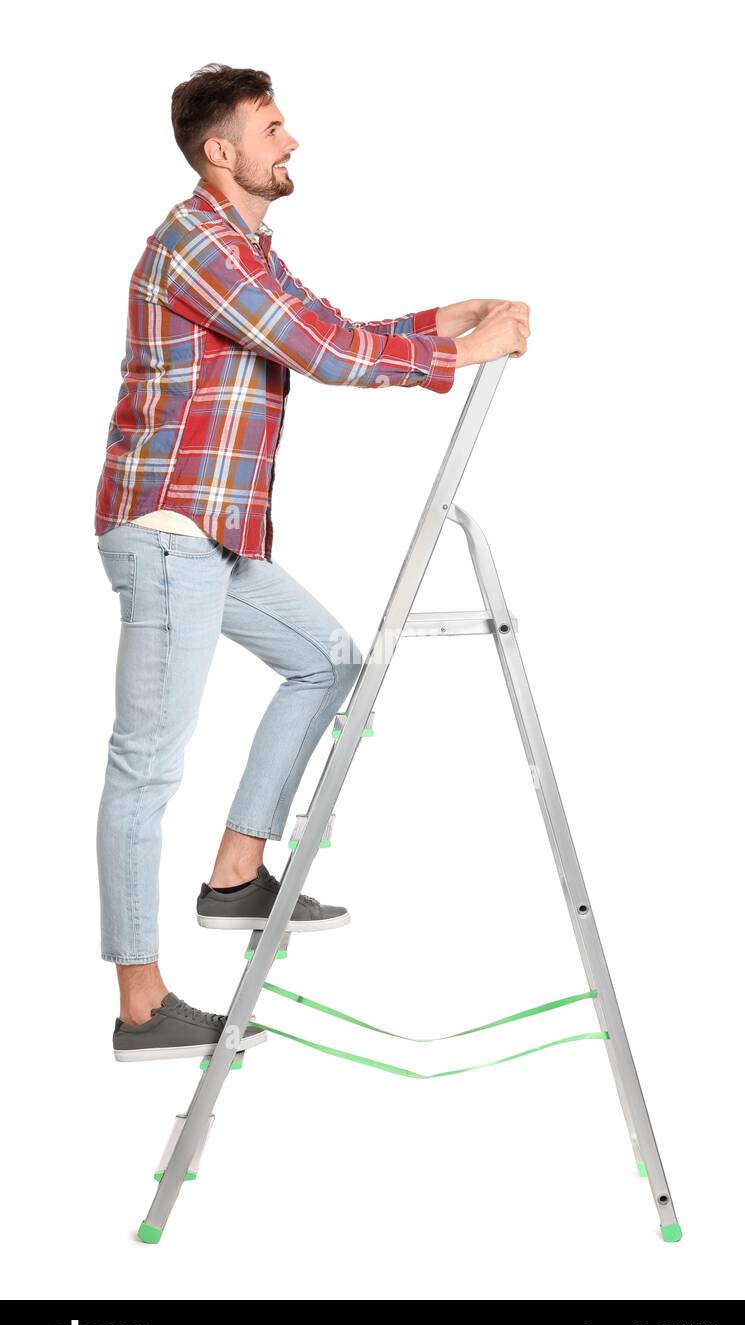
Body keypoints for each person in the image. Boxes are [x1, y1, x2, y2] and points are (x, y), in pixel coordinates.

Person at [95, 62, 530, 1063]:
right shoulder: (197, 244)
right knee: (146, 768)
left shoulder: (244, 248)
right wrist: (461, 356)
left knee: (326, 659)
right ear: (222, 151)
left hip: (215, 534)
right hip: (169, 533)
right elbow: (322, 354)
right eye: (273, 127)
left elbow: (327, 332)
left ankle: (237, 875)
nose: (291, 142)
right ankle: (139, 1006)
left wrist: (443, 320)